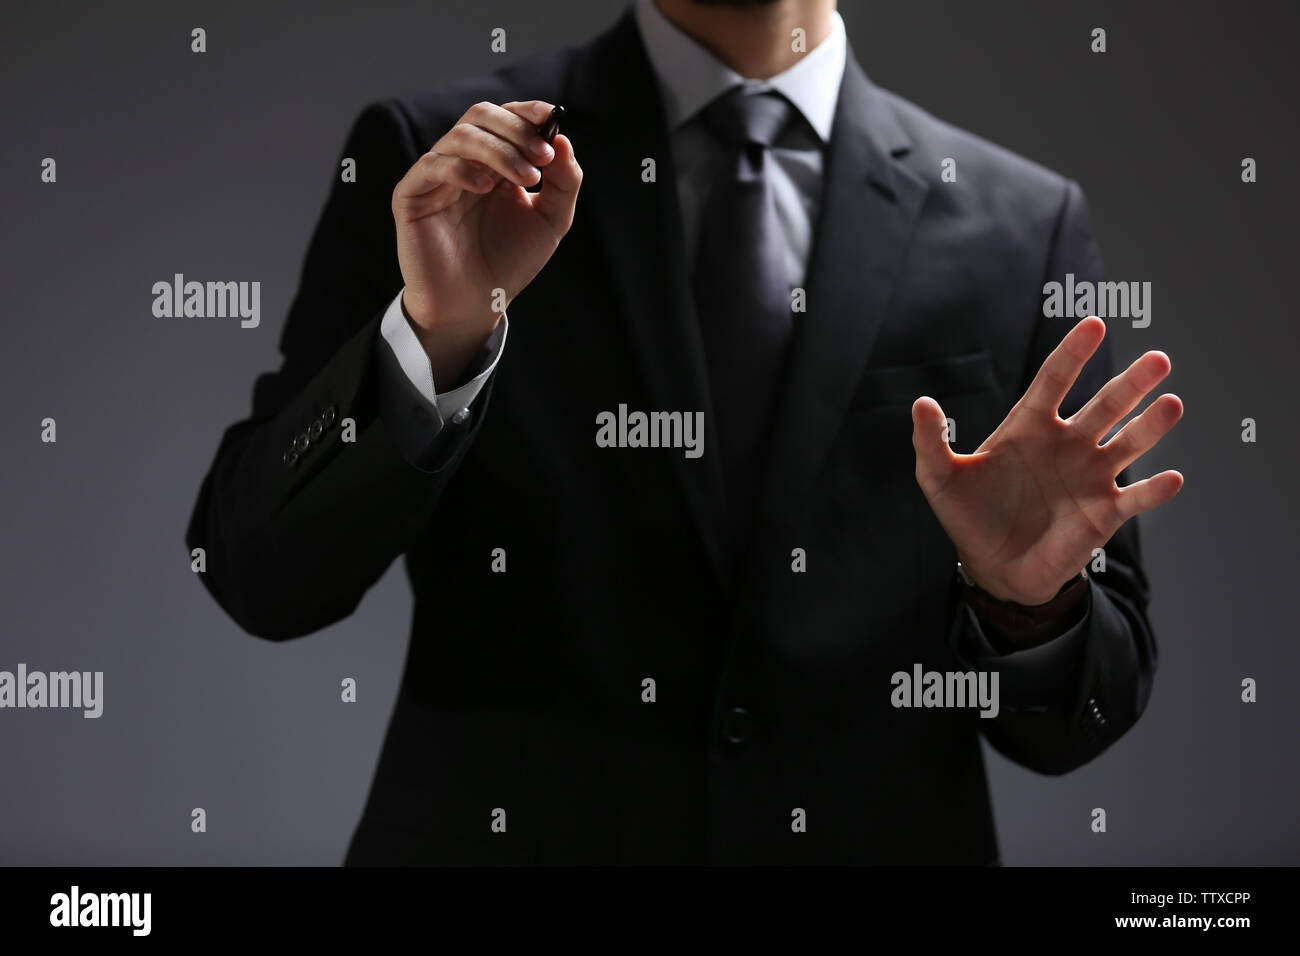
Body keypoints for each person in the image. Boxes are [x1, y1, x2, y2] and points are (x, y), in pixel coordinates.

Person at [186, 0, 1183, 864]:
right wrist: (434, 340)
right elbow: (257, 571)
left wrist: (1027, 605)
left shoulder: (1024, 222)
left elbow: (1080, 717)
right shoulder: (439, 166)